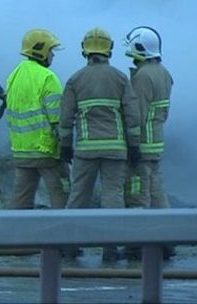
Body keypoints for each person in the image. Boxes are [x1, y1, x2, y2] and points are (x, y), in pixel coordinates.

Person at [59, 27, 141, 262]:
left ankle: (69, 247)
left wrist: (65, 146)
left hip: (85, 150)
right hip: (115, 149)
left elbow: (66, 118)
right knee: (113, 197)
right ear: (109, 49)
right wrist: (134, 146)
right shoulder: (120, 78)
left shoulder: (75, 80)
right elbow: (132, 116)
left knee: (78, 198)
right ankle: (111, 249)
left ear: (84, 50)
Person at [122, 26, 174, 259]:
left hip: (142, 145)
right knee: (157, 194)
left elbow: (137, 114)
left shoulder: (143, 77)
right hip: (156, 144)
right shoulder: (163, 73)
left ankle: (136, 246)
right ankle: (167, 242)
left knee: (137, 195)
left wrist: (131, 144)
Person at [4, 29, 68, 209]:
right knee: (62, 192)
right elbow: (58, 118)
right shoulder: (48, 78)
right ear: (41, 50)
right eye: (51, 50)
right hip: (46, 151)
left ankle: (16, 227)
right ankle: (63, 226)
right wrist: (65, 145)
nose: (53, 54)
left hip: (21, 151)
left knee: (21, 198)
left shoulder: (15, 75)